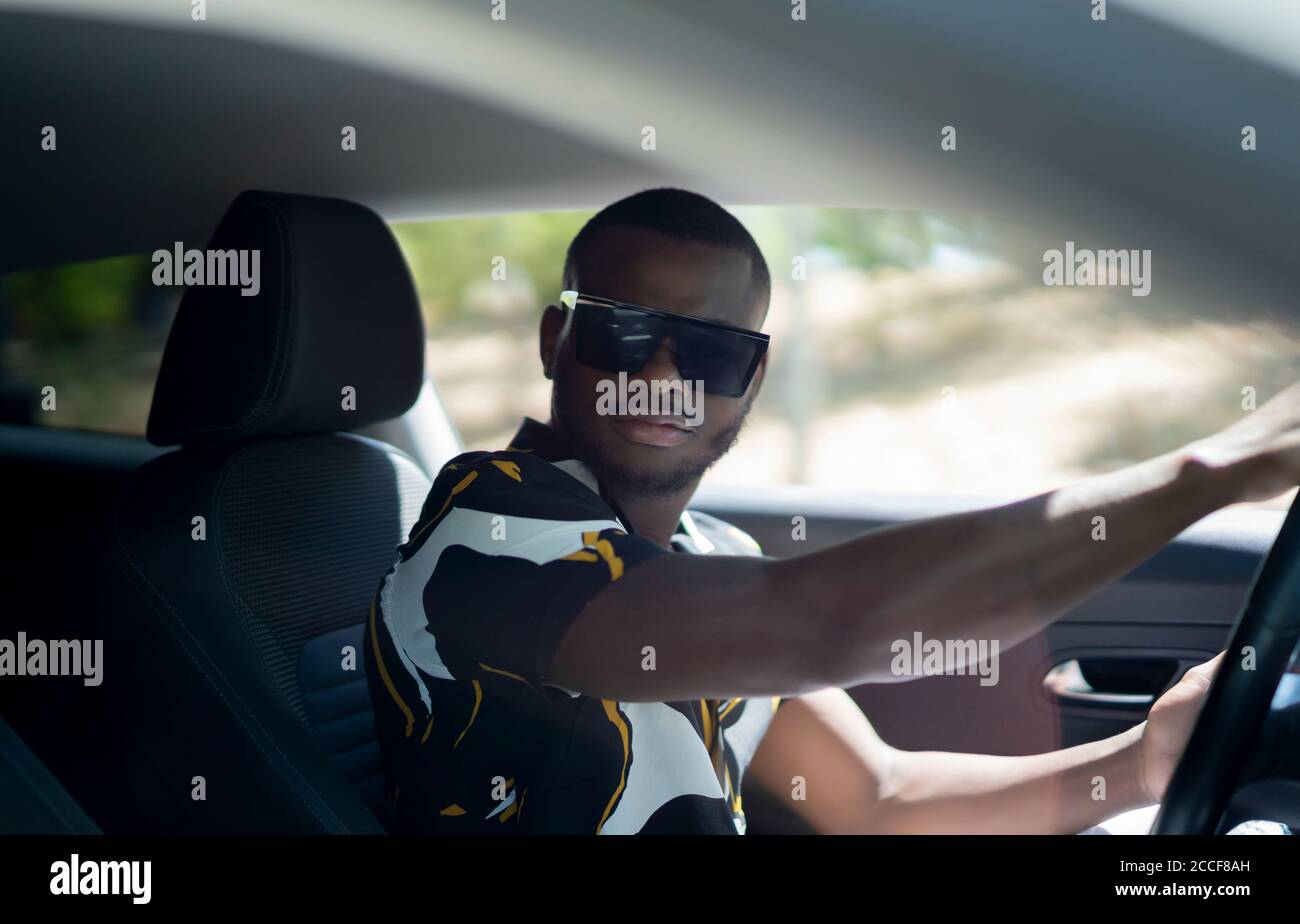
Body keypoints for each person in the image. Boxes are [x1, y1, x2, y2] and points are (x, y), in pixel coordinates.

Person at [366, 187, 1297, 834]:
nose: (659, 379)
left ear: (754, 376)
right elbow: (826, 623)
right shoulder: (485, 532)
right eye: (623, 333)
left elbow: (879, 800)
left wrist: (1137, 766)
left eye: (709, 353)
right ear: (556, 339)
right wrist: (1213, 472)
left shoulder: (703, 552)